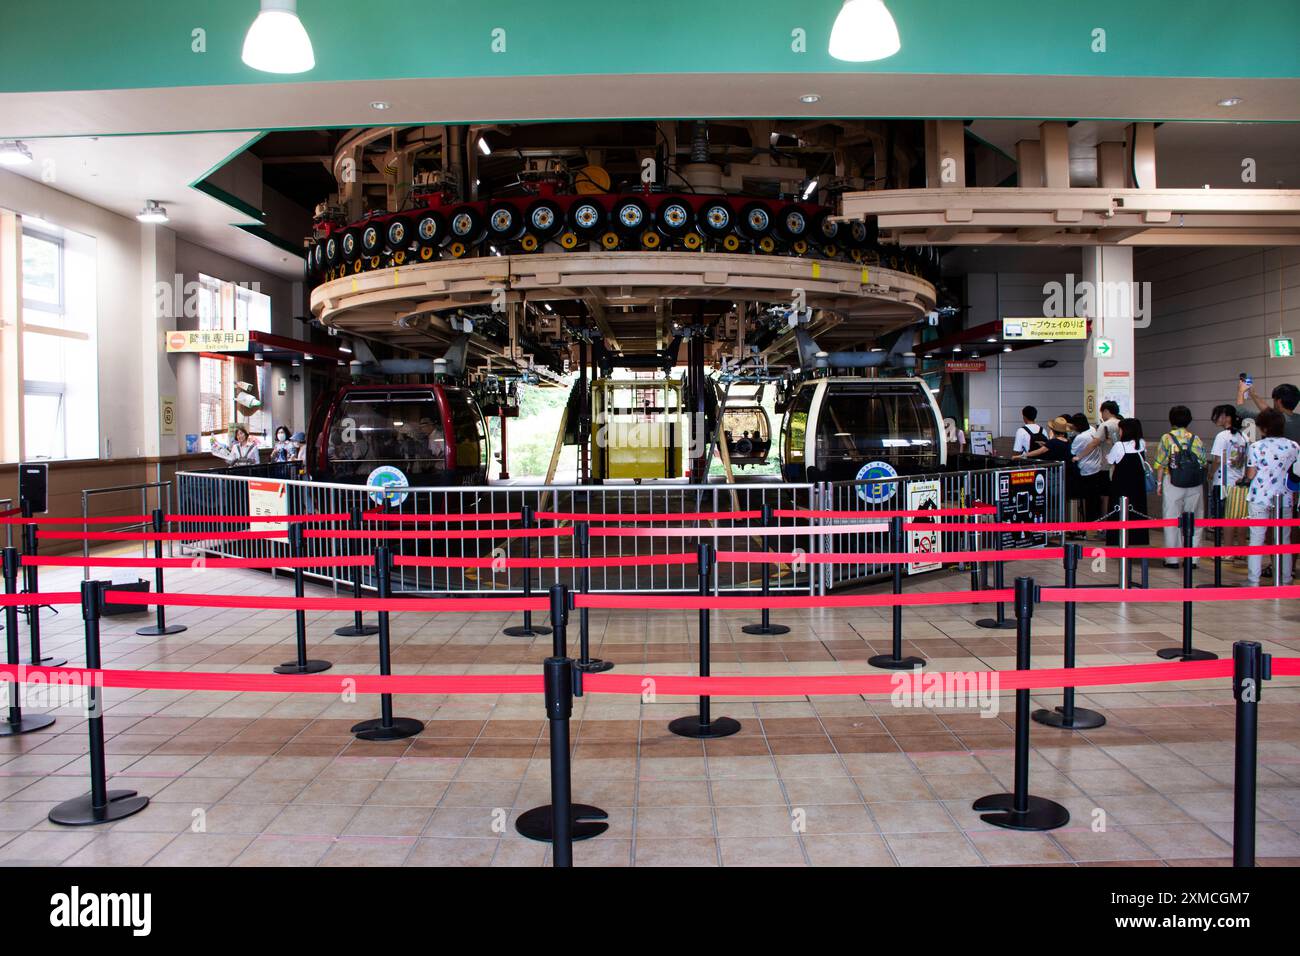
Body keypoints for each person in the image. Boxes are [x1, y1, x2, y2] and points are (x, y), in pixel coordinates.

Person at [1243, 408, 1299, 586]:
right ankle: (1286, 578)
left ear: (1264, 428)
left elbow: (1251, 474)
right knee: (1284, 539)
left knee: (1257, 539)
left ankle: (1253, 580)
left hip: (1260, 496)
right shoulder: (1294, 446)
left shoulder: (1256, 447)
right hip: (1285, 496)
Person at [1153, 405, 1207, 565]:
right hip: (1194, 483)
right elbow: (1203, 461)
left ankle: (1172, 559)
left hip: (1173, 481)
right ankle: (1193, 558)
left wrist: (1160, 483)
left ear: (1171, 420)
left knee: (1171, 520)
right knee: (1195, 520)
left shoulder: (1166, 438)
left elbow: (1161, 463)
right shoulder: (1195, 438)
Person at [1208, 405, 1249, 561]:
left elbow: (1217, 460)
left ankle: (1227, 551)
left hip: (1224, 482)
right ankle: (1242, 551)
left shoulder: (1222, 436)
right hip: (1239, 483)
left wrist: (1211, 473)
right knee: (1241, 518)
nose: (1216, 419)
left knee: (1226, 518)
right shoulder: (1244, 436)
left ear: (1226, 416)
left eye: (1218, 415)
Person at [1105, 418, 1149, 546]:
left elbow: (1111, 460)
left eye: (1120, 429)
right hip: (1138, 484)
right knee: (1137, 508)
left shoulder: (1119, 445)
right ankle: (1138, 539)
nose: (1119, 431)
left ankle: (1116, 539)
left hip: (1121, 484)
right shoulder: (1141, 443)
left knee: (1118, 510)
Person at [1070, 412, 1106, 527]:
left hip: (1086, 470)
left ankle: (1089, 525)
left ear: (1076, 425)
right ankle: (1096, 523)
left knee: (1089, 500)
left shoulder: (1080, 437)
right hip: (1097, 467)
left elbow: (1072, 452)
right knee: (1095, 499)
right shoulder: (1092, 429)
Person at [1237, 380, 1300, 444]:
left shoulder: (1275, 420)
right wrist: (1253, 394)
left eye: (1274, 400)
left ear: (1279, 401)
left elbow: (1241, 412)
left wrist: (1243, 393)